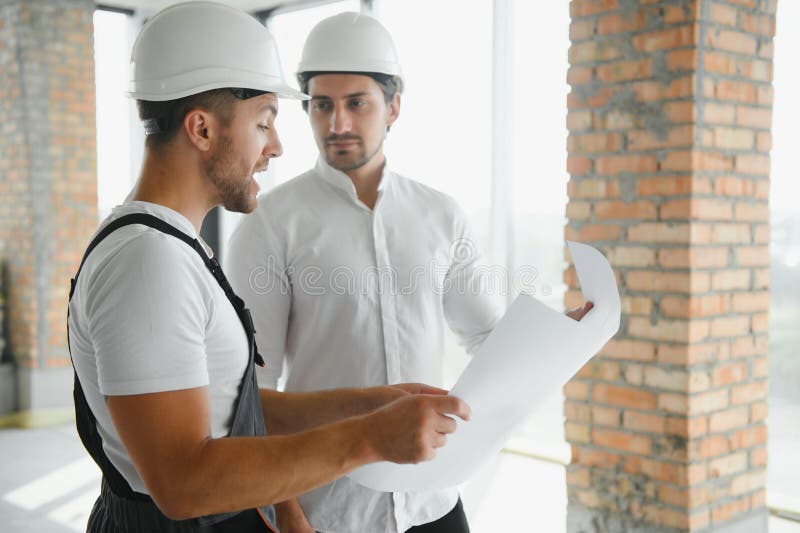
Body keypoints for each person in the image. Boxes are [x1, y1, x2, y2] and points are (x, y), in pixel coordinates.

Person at [67, 4, 472, 532]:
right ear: (202, 130)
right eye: (263, 123)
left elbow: (232, 409)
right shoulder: (149, 264)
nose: (275, 147)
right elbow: (184, 481)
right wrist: (369, 438)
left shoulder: (170, 248)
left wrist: (368, 406)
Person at [227, 12, 593, 533]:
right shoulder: (269, 224)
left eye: (357, 103)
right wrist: (285, 511)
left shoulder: (440, 215)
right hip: (328, 509)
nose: (338, 124)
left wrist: (557, 337)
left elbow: (487, 338)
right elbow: (251, 393)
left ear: (393, 107)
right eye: (321, 105)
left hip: (433, 498)